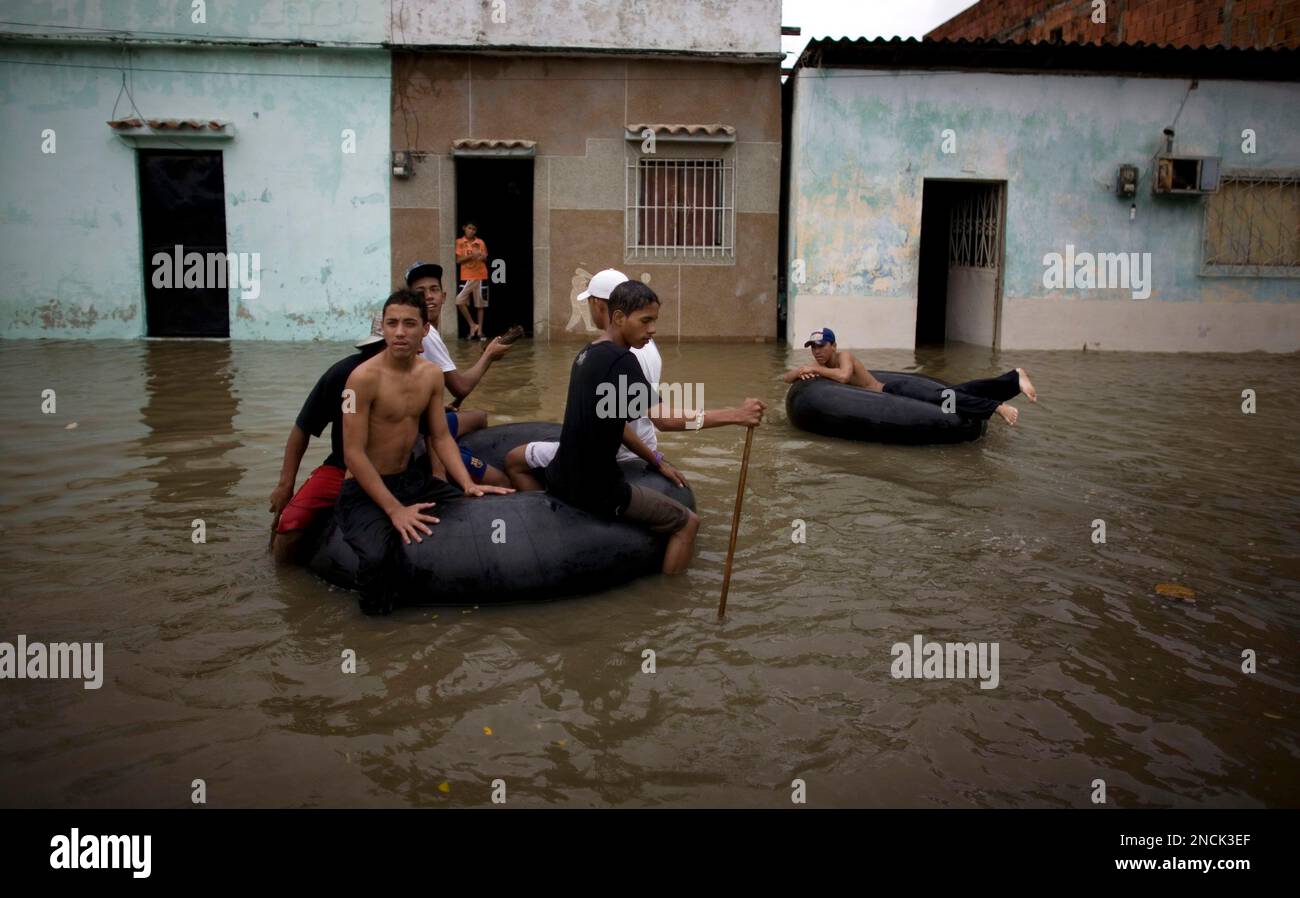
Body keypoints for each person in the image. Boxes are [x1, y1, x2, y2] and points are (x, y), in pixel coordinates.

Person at [506, 268, 765, 490]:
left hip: (617, 455)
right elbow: (618, 415)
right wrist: (655, 458)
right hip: (637, 444)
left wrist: (735, 415)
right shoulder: (640, 347)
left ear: (599, 305)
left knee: (514, 460)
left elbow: (663, 418)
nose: (651, 329)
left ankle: (544, 512)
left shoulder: (623, 355)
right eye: (647, 320)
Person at [337, 289, 513, 615]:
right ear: (383, 328)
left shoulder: (431, 375)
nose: (400, 332)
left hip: (410, 481)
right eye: (391, 324)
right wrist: (394, 511)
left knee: (473, 512)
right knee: (376, 559)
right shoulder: (360, 380)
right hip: (364, 490)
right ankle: (375, 635)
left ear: (424, 329)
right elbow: (353, 455)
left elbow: (441, 436)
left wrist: (467, 483)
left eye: (408, 323)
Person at [541, 280, 699, 574]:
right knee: (688, 523)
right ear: (618, 318)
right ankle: (669, 610)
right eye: (646, 320)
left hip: (560, 475)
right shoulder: (623, 360)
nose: (652, 330)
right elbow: (664, 420)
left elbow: (618, 423)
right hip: (597, 489)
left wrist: (656, 460)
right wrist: (733, 415)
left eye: (655, 321)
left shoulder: (588, 353)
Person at [268, 313, 388, 564]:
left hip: (394, 469)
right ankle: (283, 581)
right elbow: (303, 428)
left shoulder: (418, 376)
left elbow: (436, 432)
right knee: (290, 525)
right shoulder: (342, 374)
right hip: (341, 466)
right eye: (380, 347)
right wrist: (285, 484)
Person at [783, 327, 1038, 426]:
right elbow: (786, 378)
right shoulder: (818, 366)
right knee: (962, 390)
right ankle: (1013, 379)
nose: (817, 352)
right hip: (892, 395)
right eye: (813, 348)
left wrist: (814, 370)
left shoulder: (843, 357)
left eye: (821, 346)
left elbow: (843, 376)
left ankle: (997, 407)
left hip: (894, 391)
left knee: (946, 398)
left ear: (833, 346)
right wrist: (799, 371)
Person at [405, 260, 513, 486]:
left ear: (444, 296)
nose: (429, 297)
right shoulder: (428, 334)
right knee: (480, 420)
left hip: (419, 424)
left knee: (465, 417)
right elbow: (460, 387)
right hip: (421, 435)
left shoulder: (424, 332)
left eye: (434, 290)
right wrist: (488, 356)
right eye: (421, 292)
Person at [454, 222, 489, 340]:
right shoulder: (459, 242)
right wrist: (471, 255)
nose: (471, 231)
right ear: (464, 228)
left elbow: (485, 258)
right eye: (469, 228)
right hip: (466, 276)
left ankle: (480, 332)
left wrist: (481, 257)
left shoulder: (480, 242)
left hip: (481, 275)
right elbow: (458, 260)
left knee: (480, 305)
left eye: (474, 229)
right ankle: (472, 325)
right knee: (459, 301)